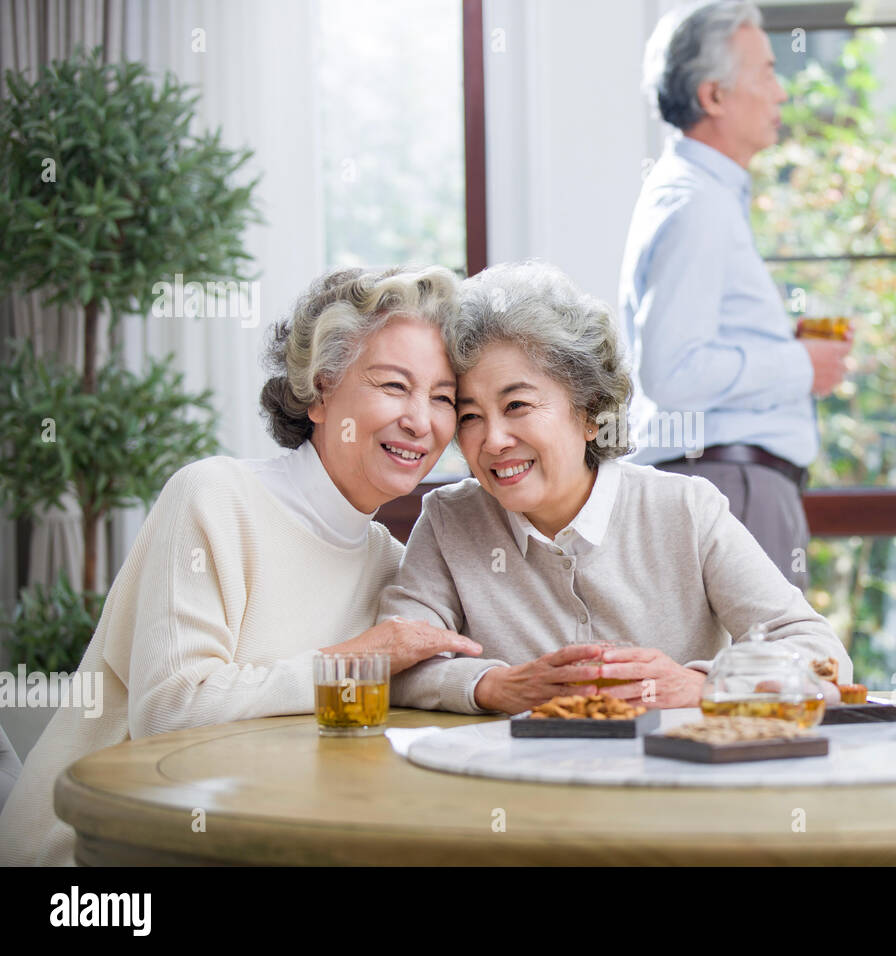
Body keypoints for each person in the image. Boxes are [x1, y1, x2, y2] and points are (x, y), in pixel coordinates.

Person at [0, 266, 481, 865]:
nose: (421, 420)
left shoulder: (391, 563)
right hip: (98, 855)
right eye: (392, 385)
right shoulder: (214, 497)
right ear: (320, 391)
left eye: (442, 398)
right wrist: (363, 659)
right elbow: (170, 713)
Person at [379, 261, 851, 716]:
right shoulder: (450, 518)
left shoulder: (685, 509)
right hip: (516, 790)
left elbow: (819, 654)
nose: (494, 440)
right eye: (469, 416)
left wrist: (702, 686)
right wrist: (497, 686)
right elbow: (393, 664)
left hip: (670, 782)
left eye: (517, 405)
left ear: (590, 415)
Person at [618, 0, 851, 589]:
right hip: (734, 487)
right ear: (713, 97)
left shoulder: (698, 194)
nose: (782, 93)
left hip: (730, 482)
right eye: (767, 73)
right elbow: (670, 371)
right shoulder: (698, 203)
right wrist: (799, 365)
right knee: (759, 682)